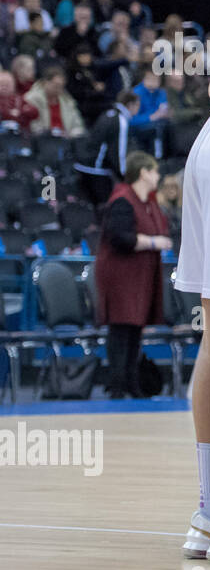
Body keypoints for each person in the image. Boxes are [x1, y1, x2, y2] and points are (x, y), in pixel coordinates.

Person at [94, 152, 170, 398]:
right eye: (155, 170)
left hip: (139, 276)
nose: (158, 176)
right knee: (121, 330)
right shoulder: (122, 200)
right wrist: (152, 242)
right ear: (144, 172)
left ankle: (132, 384)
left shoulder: (146, 201)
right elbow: (120, 238)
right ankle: (118, 387)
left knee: (135, 331)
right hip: (121, 276)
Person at [24, 63, 86, 137]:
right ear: (45, 83)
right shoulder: (32, 99)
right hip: (43, 141)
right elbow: (33, 126)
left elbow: (78, 124)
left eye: (61, 86)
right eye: (56, 86)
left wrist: (72, 134)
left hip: (66, 140)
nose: (59, 90)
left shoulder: (67, 101)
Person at [0, 69, 38, 133]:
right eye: (2, 84)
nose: (5, 87)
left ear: (13, 85)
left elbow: (34, 112)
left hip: (20, 134)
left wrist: (21, 112)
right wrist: (11, 113)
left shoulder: (19, 99)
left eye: (7, 84)